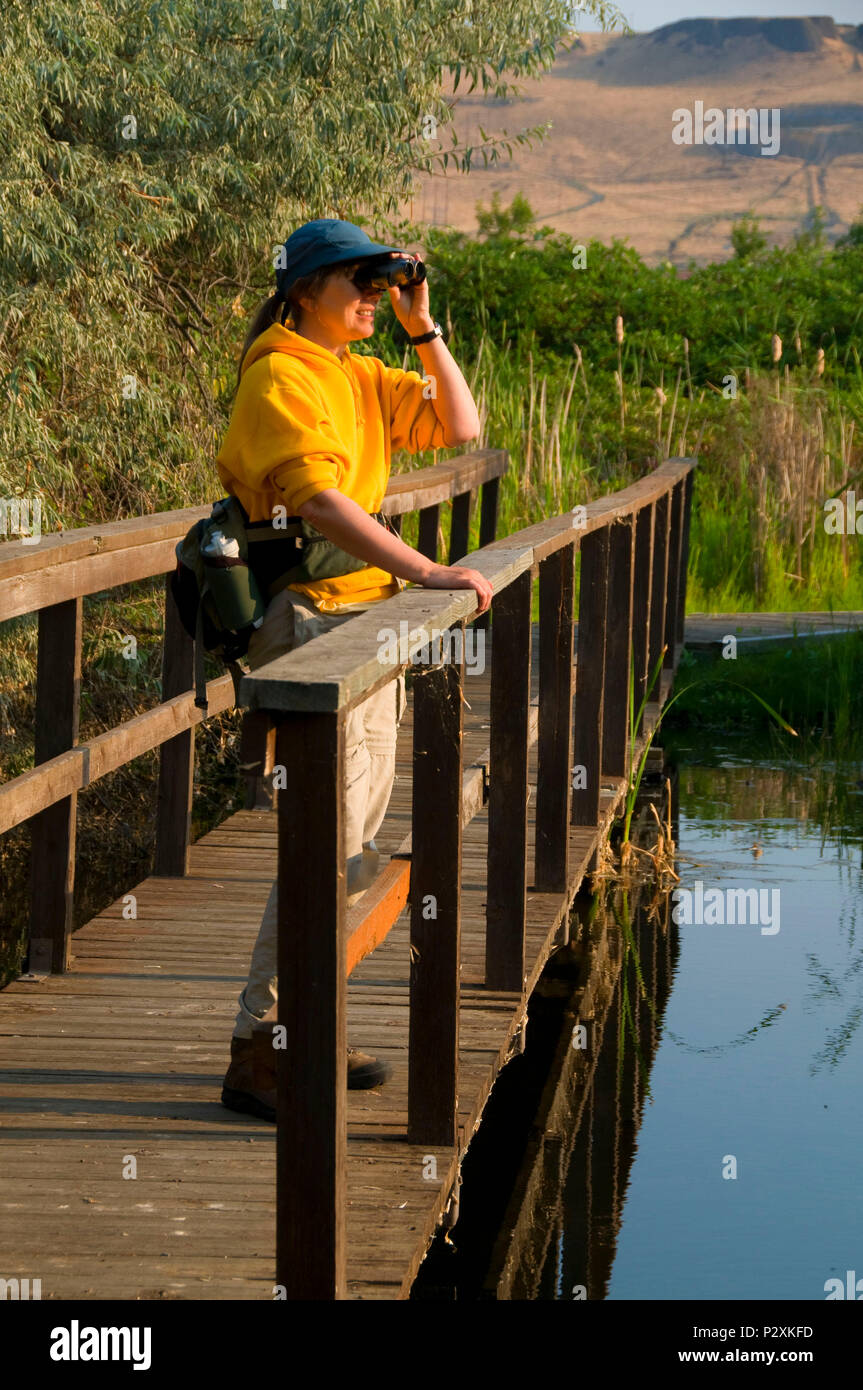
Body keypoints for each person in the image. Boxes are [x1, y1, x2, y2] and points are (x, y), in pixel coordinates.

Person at [217, 219, 493, 1121]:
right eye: (357, 282)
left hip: (363, 623)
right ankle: (263, 1047)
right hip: (311, 626)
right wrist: (425, 570)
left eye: (381, 281)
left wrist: (423, 324)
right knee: (321, 843)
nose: (372, 295)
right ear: (302, 289)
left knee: (350, 848)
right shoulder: (282, 373)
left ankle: (300, 1032)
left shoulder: (357, 371)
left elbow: (461, 425)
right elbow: (321, 501)